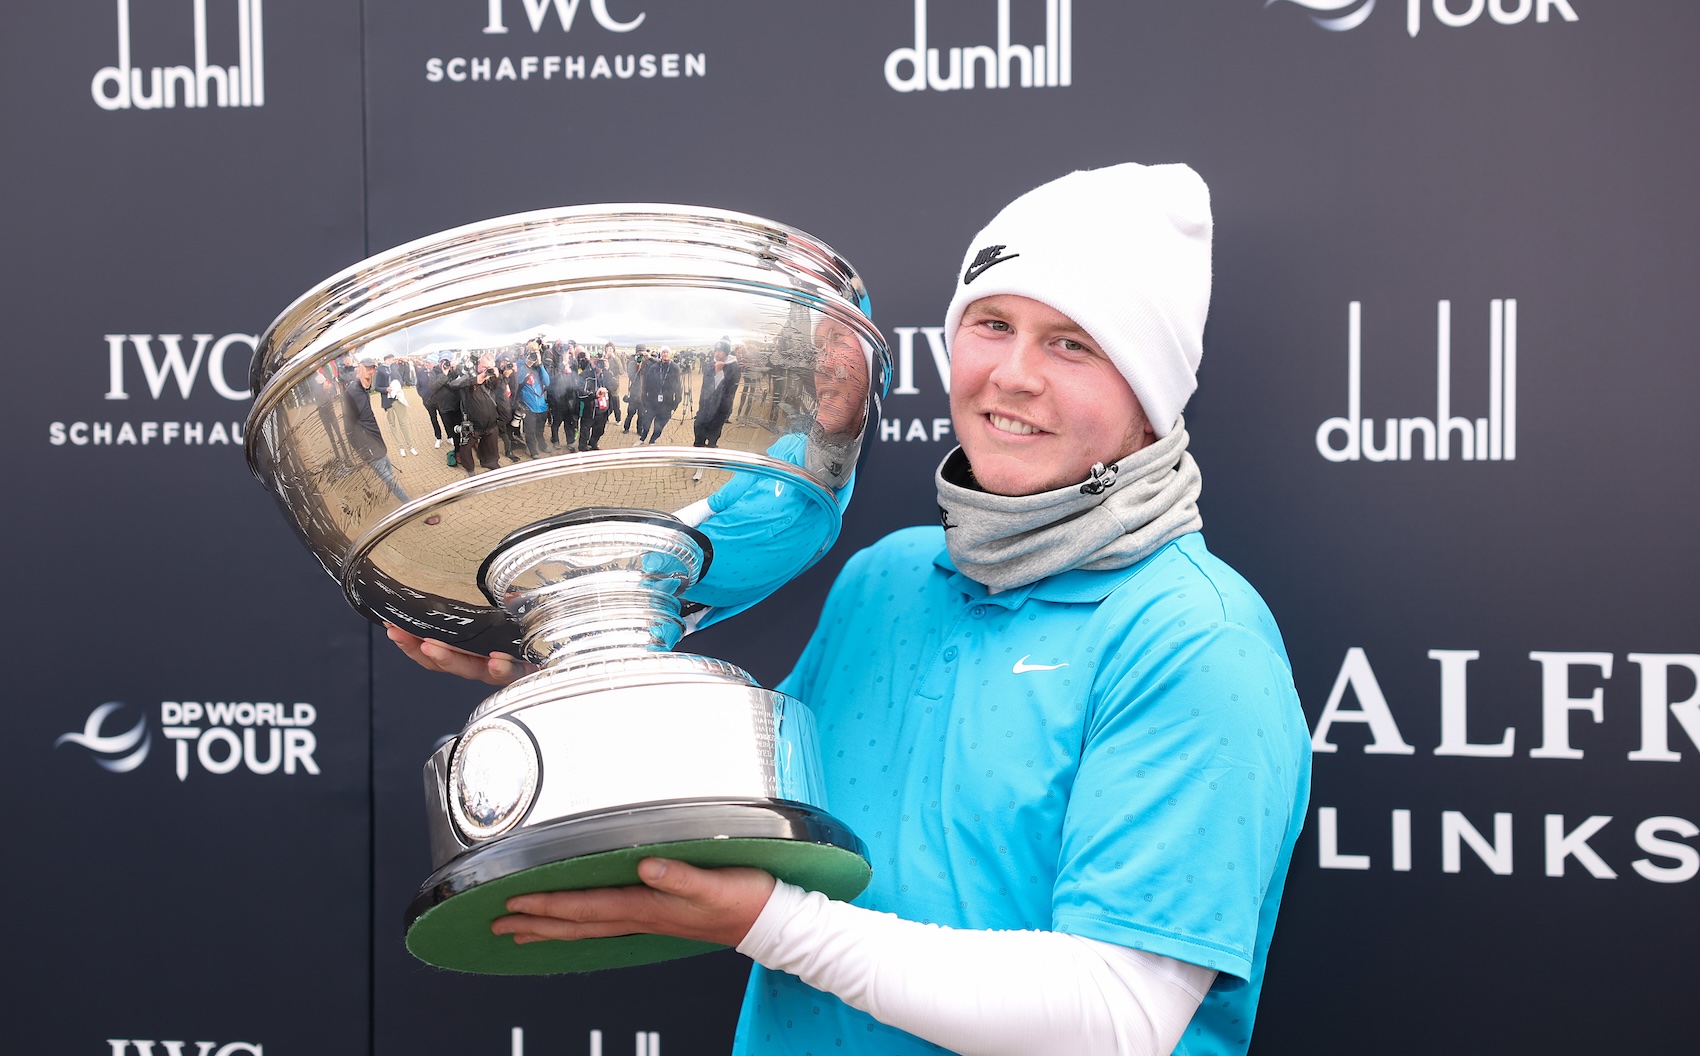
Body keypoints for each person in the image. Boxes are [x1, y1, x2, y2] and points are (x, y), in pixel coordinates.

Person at [388, 164, 1311, 1056]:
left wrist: (771, 924)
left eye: (1073, 343)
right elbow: (730, 801)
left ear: (1150, 399)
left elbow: (1112, 1022)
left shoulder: (1196, 641)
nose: (1013, 375)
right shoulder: (891, 578)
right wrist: (556, 656)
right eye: (992, 324)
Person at [341, 359, 408, 501]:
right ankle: (410, 504)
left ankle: (394, 493)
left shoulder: (364, 389)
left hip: (378, 442)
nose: (371, 372)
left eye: (372, 369)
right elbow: (349, 428)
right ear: (359, 368)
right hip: (369, 448)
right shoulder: (351, 393)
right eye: (367, 368)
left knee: (389, 473)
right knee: (391, 481)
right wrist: (361, 451)